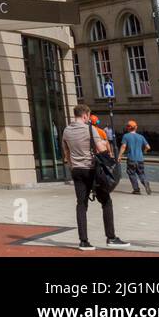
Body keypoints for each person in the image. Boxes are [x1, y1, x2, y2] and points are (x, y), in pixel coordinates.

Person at [61, 104, 130, 250]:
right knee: (106, 201)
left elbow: (66, 152)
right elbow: (100, 149)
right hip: (92, 170)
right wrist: (105, 143)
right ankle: (111, 237)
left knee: (81, 204)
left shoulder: (66, 130)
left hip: (76, 170)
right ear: (85, 115)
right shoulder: (90, 129)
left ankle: (84, 241)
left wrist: (72, 165)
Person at [117, 120, 151, 195]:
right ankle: (145, 182)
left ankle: (136, 189)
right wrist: (144, 151)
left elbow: (123, 146)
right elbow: (148, 147)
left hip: (131, 159)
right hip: (140, 159)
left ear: (128, 128)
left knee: (131, 174)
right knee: (141, 173)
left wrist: (119, 156)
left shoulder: (126, 136)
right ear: (135, 128)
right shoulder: (141, 136)